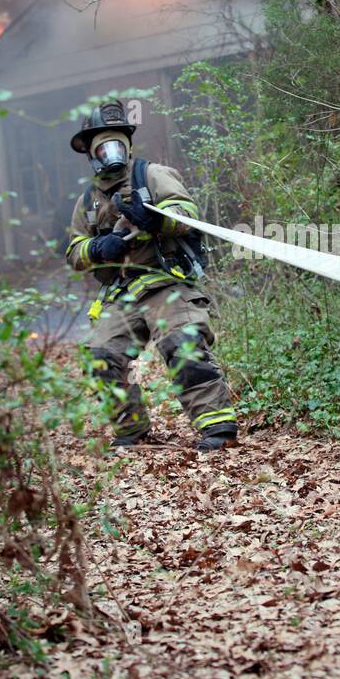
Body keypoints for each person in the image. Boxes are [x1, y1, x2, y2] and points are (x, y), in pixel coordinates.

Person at [65, 99, 238, 452]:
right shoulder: (88, 202)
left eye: (116, 145)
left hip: (166, 282)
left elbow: (187, 211)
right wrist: (99, 249)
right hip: (123, 293)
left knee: (182, 344)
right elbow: (73, 252)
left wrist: (154, 219)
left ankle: (217, 430)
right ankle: (131, 430)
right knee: (100, 355)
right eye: (102, 147)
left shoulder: (152, 175)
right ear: (91, 155)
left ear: (126, 147)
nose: (110, 153)